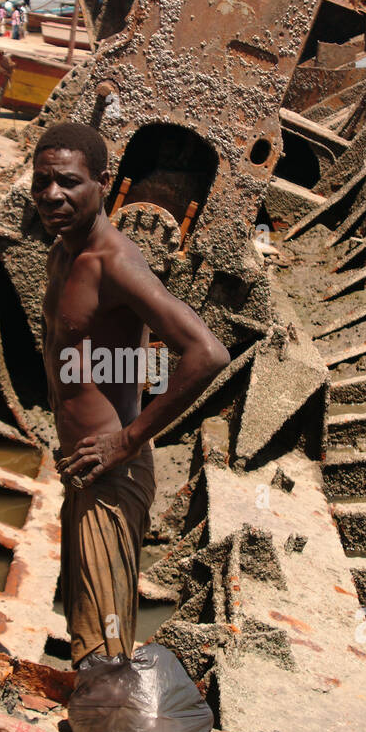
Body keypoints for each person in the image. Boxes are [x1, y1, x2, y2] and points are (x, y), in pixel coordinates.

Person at [31, 122, 228, 666]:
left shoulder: (114, 262)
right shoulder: (61, 254)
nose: (52, 195)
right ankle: (101, 731)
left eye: (68, 182)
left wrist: (126, 441)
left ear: (103, 183)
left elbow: (207, 353)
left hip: (113, 473)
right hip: (83, 467)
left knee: (103, 647)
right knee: (85, 626)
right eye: (42, 181)